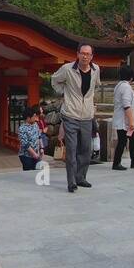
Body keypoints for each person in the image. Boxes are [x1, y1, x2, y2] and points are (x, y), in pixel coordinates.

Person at [50, 44, 100, 193]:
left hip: (87, 116)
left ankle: (81, 177)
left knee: (86, 149)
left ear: (92, 56)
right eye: (82, 53)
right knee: (72, 149)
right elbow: (54, 80)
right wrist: (64, 92)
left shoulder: (96, 69)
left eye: (88, 54)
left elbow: (96, 86)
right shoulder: (67, 69)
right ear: (77, 54)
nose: (85, 56)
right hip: (71, 114)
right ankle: (71, 181)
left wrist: (90, 102)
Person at [111, 65, 134, 170]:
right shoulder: (125, 87)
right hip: (124, 121)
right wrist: (131, 121)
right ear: (131, 77)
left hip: (122, 119)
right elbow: (126, 105)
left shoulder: (119, 86)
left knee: (132, 139)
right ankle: (117, 163)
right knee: (122, 141)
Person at [18, 106, 44, 171]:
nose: (35, 118)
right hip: (26, 155)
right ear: (28, 118)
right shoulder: (22, 128)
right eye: (33, 116)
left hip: (36, 153)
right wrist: (34, 154)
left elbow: (39, 136)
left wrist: (41, 148)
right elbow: (25, 144)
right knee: (29, 172)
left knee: (36, 172)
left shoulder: (35, 125)